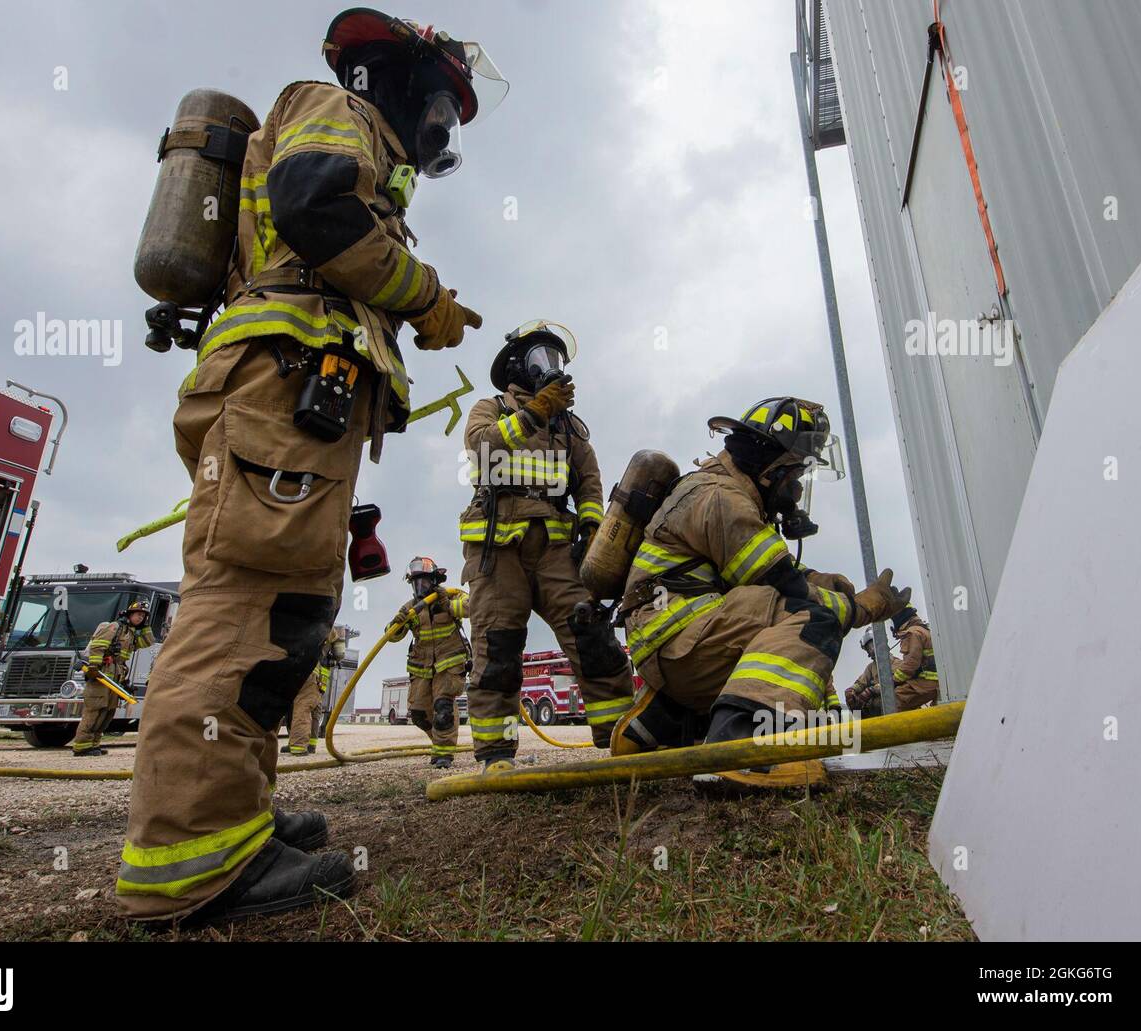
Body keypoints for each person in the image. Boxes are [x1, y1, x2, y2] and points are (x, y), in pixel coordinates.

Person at [118, 8, 506, 924]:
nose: (435, 136)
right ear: (396, 84)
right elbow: (313, 201)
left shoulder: (347, 128)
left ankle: (232, 820)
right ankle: (186, 861)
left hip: (295, 398)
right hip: (280, 391)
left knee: (285, 609)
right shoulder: (337, 107)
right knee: (243, 599)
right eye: (440, 112)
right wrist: (425, 297)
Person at [611, 397, 911, 790]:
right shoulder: (724, 498)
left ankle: (657, 724)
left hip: (673, 643)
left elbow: (774, 574)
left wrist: (825, 580)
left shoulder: (724, 491)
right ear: (772, 470)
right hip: (680, 637)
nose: (798, 488)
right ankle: (743, 748)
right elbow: (789, 590)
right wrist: (863, 607)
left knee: (794, 613)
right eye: (797, 472)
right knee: (813, 622)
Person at [459, 321, 634, 770]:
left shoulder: (571, 427)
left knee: (592, 633)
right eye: (542, 356)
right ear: (518, 364)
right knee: (498, 647)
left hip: (557, 548)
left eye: (556, 359)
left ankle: (618, 735)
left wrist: (594, 524)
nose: (550, 367)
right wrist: (533, 413)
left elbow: (589, 480)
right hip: (498, 548)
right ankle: (496, 755)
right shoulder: (491, 409)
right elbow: (482, 451)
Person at [387, 557, 470, 768]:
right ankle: (440, 743)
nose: (420, 587)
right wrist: (397, 623)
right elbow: (391, 637)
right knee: (418, 714)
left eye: (424, 582)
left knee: (443, 707)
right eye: (416, 583)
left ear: (434, 580)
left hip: (449, 663)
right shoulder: (411, 608)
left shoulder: (449, 596)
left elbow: (473, 606)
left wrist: (448, 606)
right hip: (422, 667)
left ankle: (444, 754)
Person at [73, 601, 156, 757]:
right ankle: (81, 745)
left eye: (143, 616)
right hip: (102, 673)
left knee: (108, 711)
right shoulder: (113, 627)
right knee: (95, 709)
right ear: (129, 614)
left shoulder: (130, 633)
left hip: (116, 675)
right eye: (138, 614)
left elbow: (148, 642)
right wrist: (94, 668)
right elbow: (98, 645)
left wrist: (145, 626)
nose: (140, 618)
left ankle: (93, 744)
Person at [283, 629, 344, 754]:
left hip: (296, 669)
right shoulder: (328, 627)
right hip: (313, 674)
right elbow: (339, 654)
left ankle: (302, 745)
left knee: (303, 707)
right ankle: (304, 745)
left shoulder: (298, 621)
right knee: (309, 707)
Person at [889, 606, 940, 710]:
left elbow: (911, 665)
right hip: (934, 683)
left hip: (925, 684)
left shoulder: (912, 634)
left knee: (890, 702)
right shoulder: (923, 630)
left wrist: (892, 682)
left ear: (899, 617)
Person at [845, 625, 887, 716]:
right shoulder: (871, 667)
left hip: (889, 705)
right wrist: (852, 690)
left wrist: (872, 690)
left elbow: (892, 683)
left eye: (872, 645)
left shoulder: (894, 662)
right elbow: (861, 683)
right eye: (868, 647)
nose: (871, 649)